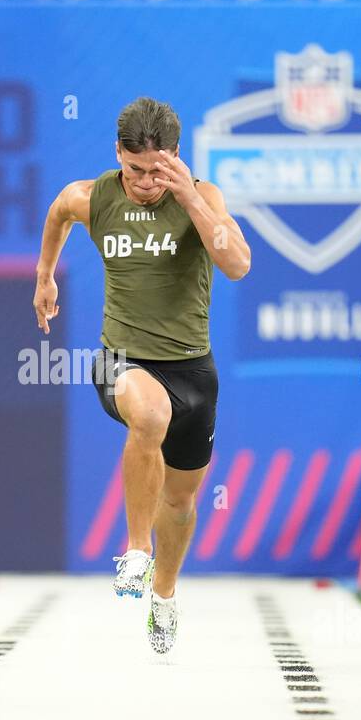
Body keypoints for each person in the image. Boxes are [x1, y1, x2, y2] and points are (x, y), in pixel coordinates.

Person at [32, 96, 250, 653]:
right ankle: (134, 550)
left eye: (159, 171)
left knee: (180, 503)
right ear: (117, 156)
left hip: (192, 370)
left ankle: (165, 595)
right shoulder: (94, 196)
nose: (147, 182)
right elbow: (58, 212)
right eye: (136, 171)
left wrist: (190, 198)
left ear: (176, 159)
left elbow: (237, 264)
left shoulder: (201, 197)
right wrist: (45, 277)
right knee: (149, 415)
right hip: (122, 360)